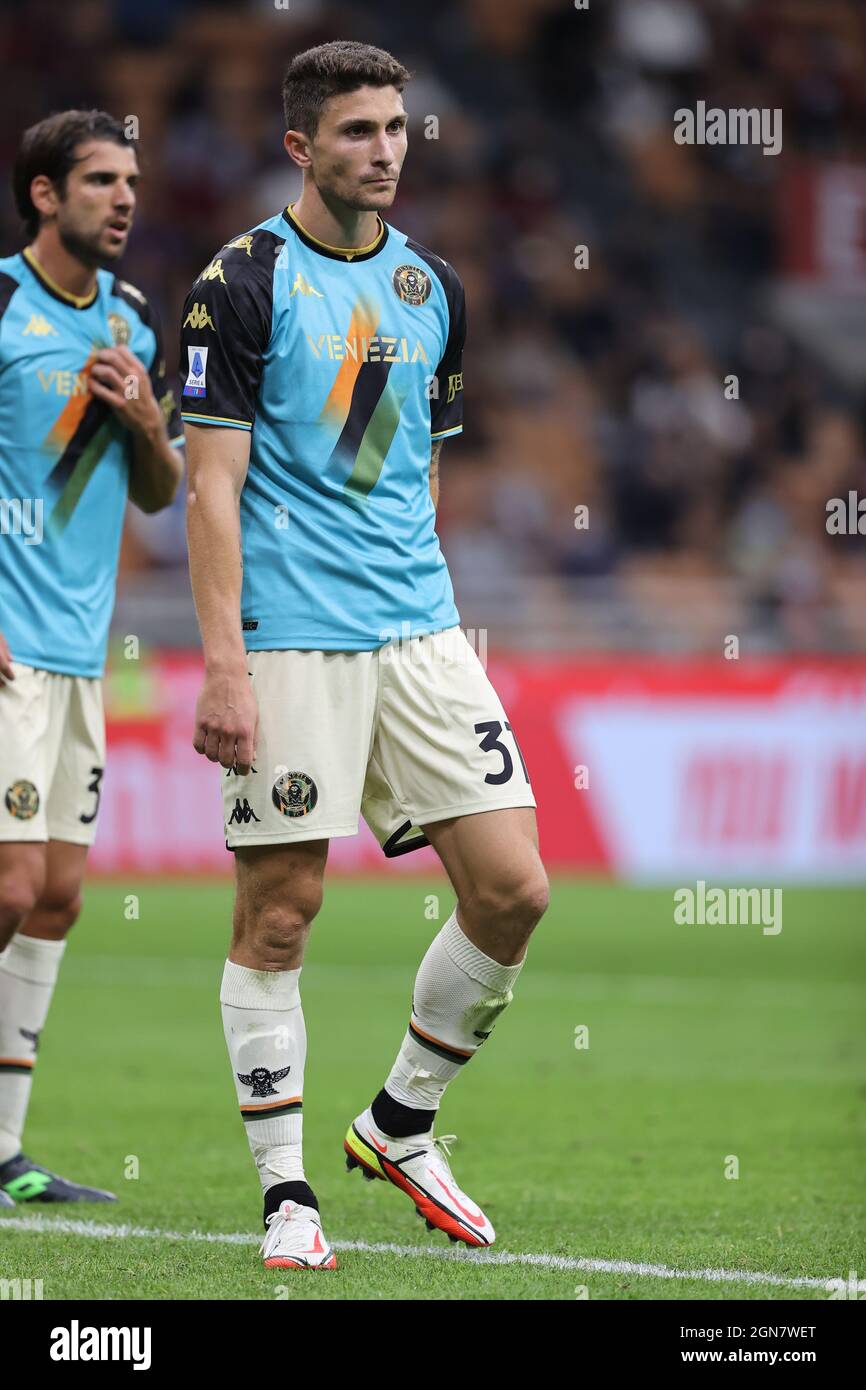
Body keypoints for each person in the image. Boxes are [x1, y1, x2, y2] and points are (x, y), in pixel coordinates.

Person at [180, 41, 548, 1272]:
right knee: (280, 910)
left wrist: (425, 607)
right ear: (299, 147)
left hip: (421, 633)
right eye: (354, 132)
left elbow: (420, 471)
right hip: (292, 643)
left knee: (512, 889)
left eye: (394, 128)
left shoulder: (431, 287)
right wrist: (224, 665)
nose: (383, 150)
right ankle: (288, 1197)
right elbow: (210, 493)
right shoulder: (240, 282)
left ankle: (399, 1122)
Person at [0, 110, 184, 1205]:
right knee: (10, 883)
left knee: (59, 894)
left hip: (79, 650)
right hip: (10, 646)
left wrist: (148, 424)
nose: (125, 198)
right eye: (101, 180)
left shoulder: (132, 322)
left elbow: (159, 495)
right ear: (43, 194)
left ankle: (6, 1152)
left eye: (132, 180)